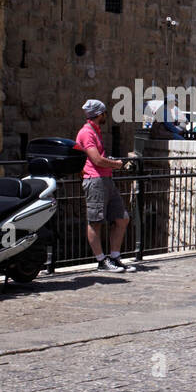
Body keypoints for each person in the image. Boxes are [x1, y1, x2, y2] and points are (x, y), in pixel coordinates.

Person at [75, 99, 134, 273]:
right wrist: (116, 164)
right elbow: (96, 159)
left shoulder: (95, 131)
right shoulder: (87, 133)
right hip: (95, 180)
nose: (106, 115)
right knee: (95, 222)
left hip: (106, 179)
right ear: (100, 114)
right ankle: (102, 261)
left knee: (122, 218)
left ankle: (115, 257)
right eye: (105, 113)